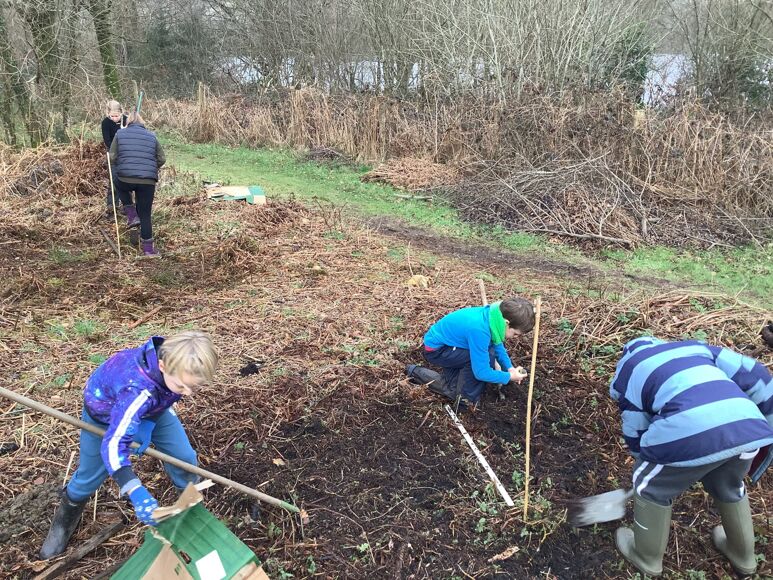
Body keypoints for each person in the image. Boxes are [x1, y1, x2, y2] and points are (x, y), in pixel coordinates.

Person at [39, 331, 219, 560]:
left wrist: (149, 422)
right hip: (106, 416)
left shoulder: (175, 368)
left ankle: (190, 507)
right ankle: (62, 524)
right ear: (162, 366)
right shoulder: (138, 390)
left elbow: (166, 394)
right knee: (88, 477)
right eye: (183, 387)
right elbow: (113, 446)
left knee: (184, 458)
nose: (188, 393)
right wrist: (134, 489)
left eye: (194, 387)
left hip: (153, 406)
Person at [609, 336, 773, 577]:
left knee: (650, 485)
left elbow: (635, 425)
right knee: (728, 484)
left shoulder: (630, 369)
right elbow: (754, 372)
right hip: (748, 426)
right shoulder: (695, 348)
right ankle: (744, 556)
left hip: (690, 426)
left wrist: (645, 464)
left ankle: (646, 558)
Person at [406, 297, 533, 408]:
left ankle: (457, 380)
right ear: (506, 323)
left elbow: (497, 344)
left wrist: (509, 368)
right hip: (437, 351)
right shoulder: (479, 330)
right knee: (457, 389)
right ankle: (463, 400)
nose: (515, 337)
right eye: (515, 334)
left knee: (488, 353)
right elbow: (481, 373)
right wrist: (509, 377)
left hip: (453, 345)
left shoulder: (495, 317)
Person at [109, 111, 166, 257]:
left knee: (116, 178)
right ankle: (148, 250)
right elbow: (162, 158)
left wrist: (121, 164)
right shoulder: (152, 136)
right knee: (146, 214)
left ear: (127, 123)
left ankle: (131, 213)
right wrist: (151, 168)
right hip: (147, 181)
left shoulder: (120, 134)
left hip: (125, 179)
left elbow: (112, 157)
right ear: (142, 123)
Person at [101, 100, 127, 219]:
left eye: (117, 116)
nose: (115, 118)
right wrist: (116, 150)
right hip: (113, 155)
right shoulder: (106, 123)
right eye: (112, 116)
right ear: (108, 113)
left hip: (127, 156)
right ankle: (112, 208)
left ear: (121, 113)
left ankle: (127, 207)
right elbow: (107, 141)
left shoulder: (127, 120)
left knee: (127, 181)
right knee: (114, 182)